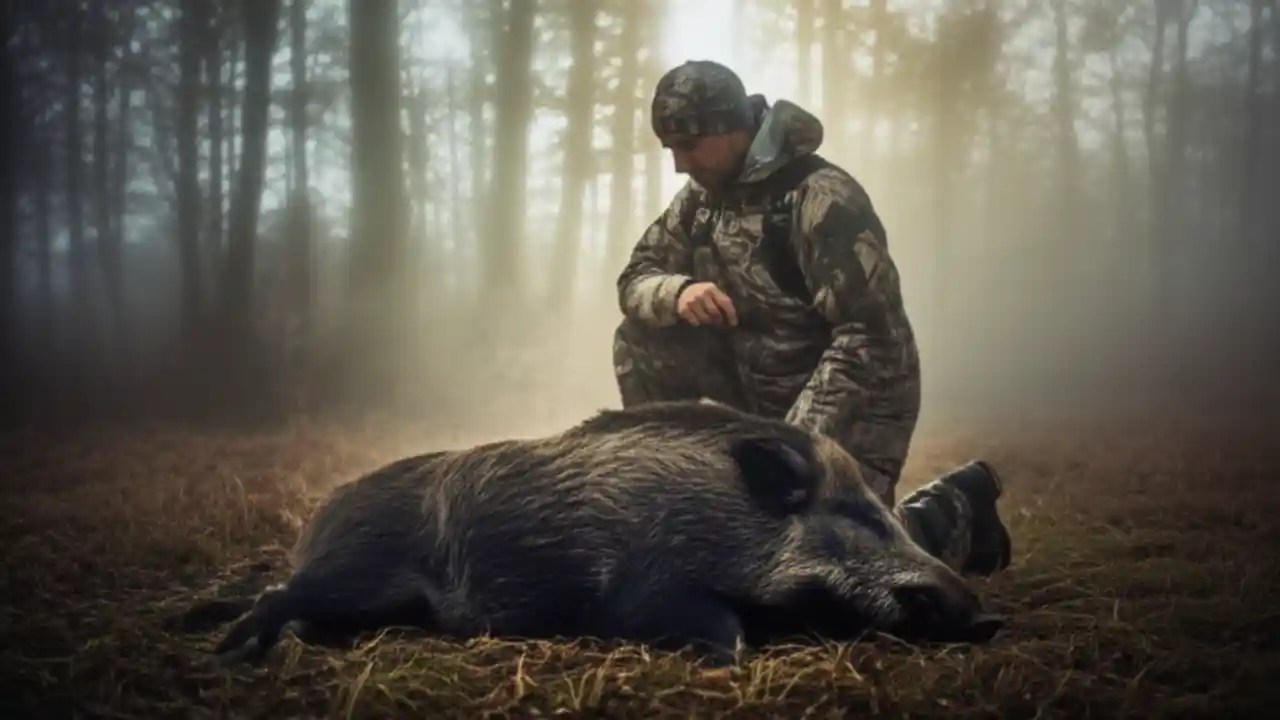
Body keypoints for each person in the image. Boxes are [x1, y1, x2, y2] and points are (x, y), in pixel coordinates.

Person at [612, 60, 1011, 576]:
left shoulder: (822, 199)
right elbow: (634, 279)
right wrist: (677, 290)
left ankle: (956, 507)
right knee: (641, 337)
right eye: (670, 150)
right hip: (759, 396)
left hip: (859, 391)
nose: (679, 165)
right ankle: (686, 496)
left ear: (731, 127)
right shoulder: (698, 204)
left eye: (688, 147)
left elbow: (870, 340)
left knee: (817, 561)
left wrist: (790, 459)